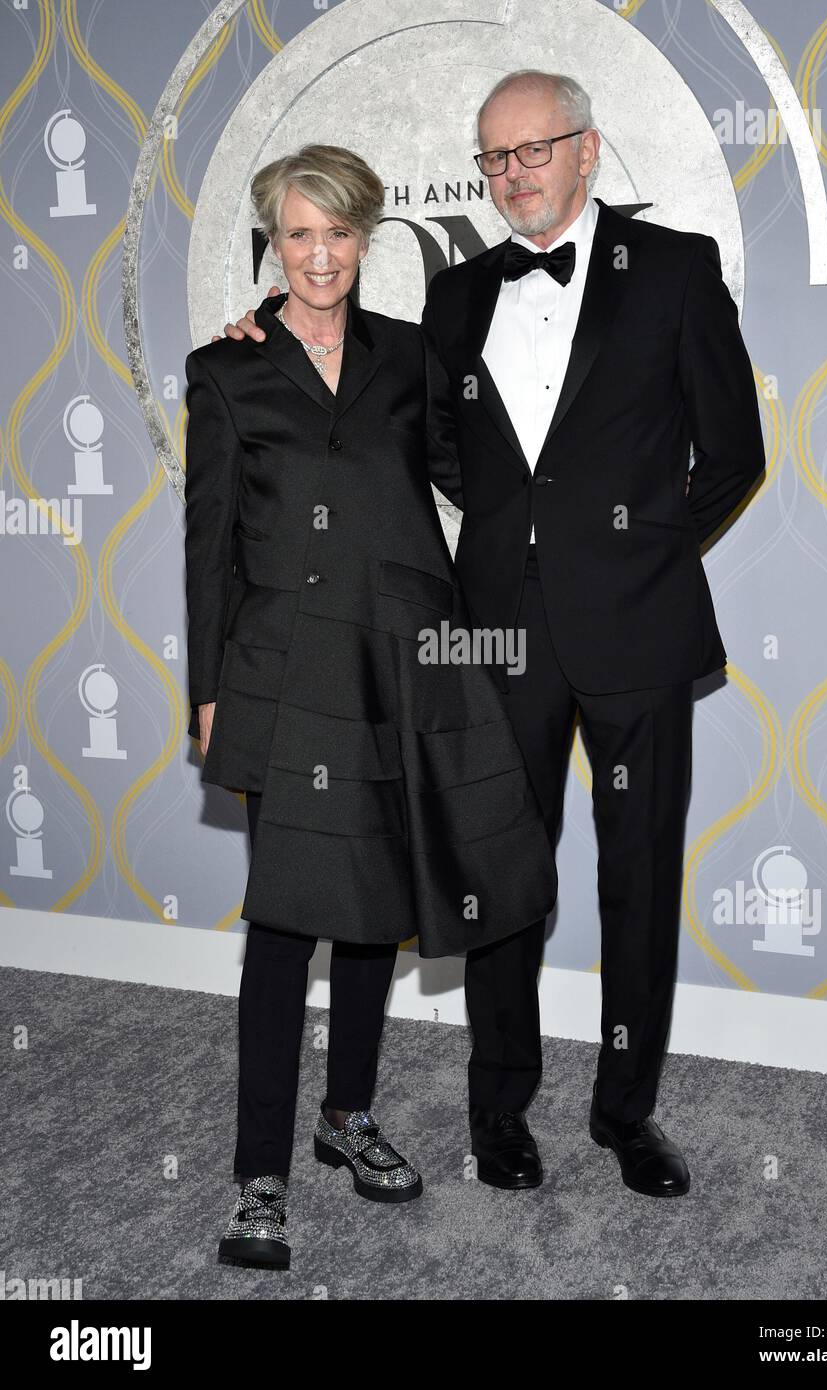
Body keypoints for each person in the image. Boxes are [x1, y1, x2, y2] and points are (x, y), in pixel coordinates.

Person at [221, 71, 767, 1201]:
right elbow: (393, 428)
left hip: (637, 635)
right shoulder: (456, 298)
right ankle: (498, 1113)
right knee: (500, 879)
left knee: (636, 879)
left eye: (532, 150)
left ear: (585, 148)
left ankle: (626, 1115)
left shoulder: (671, 271)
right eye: (493, 157)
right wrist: (261, 324)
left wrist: (635, 553)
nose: (512, 173)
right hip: (490, 643)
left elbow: (730, 453)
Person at [185, 142, 556, 1269]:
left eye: (337, 232)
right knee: (284, 919)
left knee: (371, 908)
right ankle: (259, 1177)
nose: (318, 254)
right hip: (286, 666)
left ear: (364, 237)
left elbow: (471, 475)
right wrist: (205, 688)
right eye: (297, 234)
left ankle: (345, 1116)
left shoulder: (409, 357)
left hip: (398, 657)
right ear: (272, 243)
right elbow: (208, 545)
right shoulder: (227, 367)